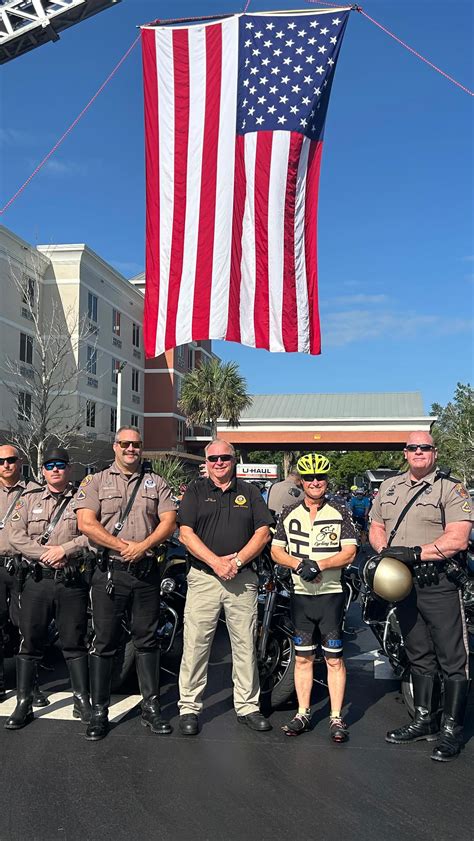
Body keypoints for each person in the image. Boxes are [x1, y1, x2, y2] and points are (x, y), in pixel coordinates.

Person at [369, 431, 472, 762]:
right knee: (418, 653)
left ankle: (452, 729)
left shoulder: (451, 488)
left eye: (424, 447)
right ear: (405, 453)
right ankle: (425, 719)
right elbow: (376, 525)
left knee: (452, 657)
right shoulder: (390, 486)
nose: (418, 452)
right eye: (412, 447)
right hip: (401, 584)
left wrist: (416, 554)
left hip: (439, 581)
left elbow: (458, 538)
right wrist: (387, 553)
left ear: (434, 453)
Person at [74, 426, 177, 741]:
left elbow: (169, 520)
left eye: (136, 444)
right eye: (125, 444)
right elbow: (85, 523)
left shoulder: (156, 482)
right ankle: (99, 711)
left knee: (147, 640)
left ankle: (151, 707)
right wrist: (123, 547)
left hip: (145, 571)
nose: (131, 449)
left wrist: (143, 546)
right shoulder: (96, 481)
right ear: (115, 447)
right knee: (104, 642)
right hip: (110, 572)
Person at [177, 439, 274, 735]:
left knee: (244, 644)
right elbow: (185, 533)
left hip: (242, 579)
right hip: (205, 577)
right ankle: (190, 707)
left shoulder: (249, 491)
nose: (219, 462)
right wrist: (216, 562)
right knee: (195, 644)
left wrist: (238, 560)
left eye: (225, 458)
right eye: (213, 458)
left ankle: (247, 706)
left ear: (234, 460)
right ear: (205, 462)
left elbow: (263, 531)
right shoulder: (195, 491)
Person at [271, 453, 357, 742]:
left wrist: (319, 565)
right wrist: (297, 565)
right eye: (310, 478)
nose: (316, 482)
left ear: (326, 480)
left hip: (330, 596)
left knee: (334, 659)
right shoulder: (289, 511)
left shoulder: (340, 511)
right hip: (301, 596)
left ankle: (335, 717)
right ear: (302, 481)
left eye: (320, 477)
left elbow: (350, 551)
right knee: (304, 658)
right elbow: (276, 550)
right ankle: (303, 713)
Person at [5, 447, 91, 730]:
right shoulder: (28, 499)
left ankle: (81, 701)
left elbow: (91, 534)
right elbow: (15, 536)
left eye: (61, 465)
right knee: (29, 641)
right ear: (42, 470)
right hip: (36, 580)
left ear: (69, 469)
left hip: (70, 581)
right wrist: (45, 553)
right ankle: (24, 702)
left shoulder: (83, 498)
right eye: (50, 465)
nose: (56, 470)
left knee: (73, 641)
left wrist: (64, 549)